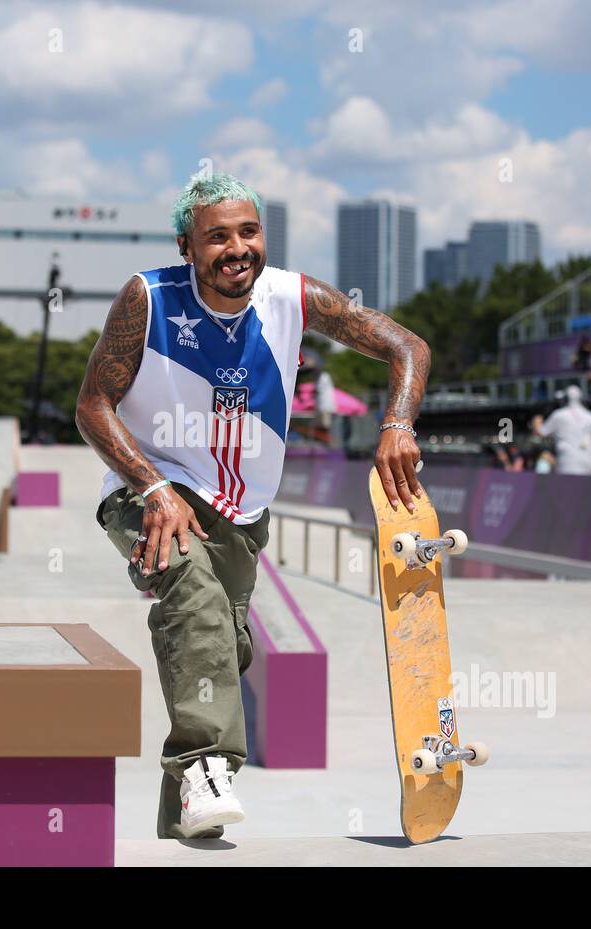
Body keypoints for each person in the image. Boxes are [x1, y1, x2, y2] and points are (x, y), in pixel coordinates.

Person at [75, 173, 431, 840]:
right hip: (146, 492)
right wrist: (153, 487)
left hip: (240, 516)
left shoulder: (294, 298)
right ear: (188, 246)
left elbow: (408, 347)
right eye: (217, 237)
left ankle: (183, 808)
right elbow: (92, 405)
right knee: (191, 594)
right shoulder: (146, 299)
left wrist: (397, 425)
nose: (237, 249)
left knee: (222, 644)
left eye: (249, 232)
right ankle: (207, 763)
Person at [530, 385, 591, 475]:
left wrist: (537, 419)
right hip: (588, 465)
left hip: (566, 464)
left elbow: (541, 432)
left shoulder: (558, 415)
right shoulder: (590, 416)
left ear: (566, 399)